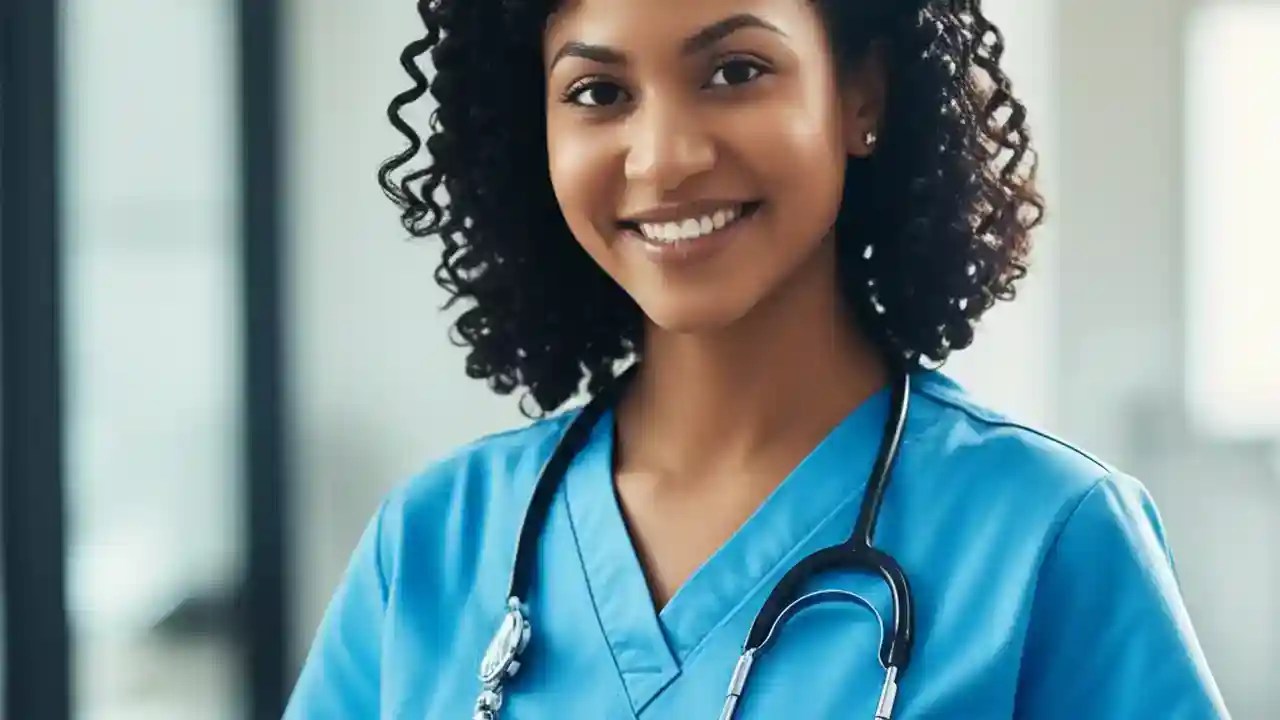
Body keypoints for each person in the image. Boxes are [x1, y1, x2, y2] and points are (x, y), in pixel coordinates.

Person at [284, 0, 1229, 717]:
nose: (663, 159)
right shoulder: (431, 546)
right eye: (598, 93)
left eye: (735, 72)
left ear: (862, 95)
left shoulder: (1047, 537)